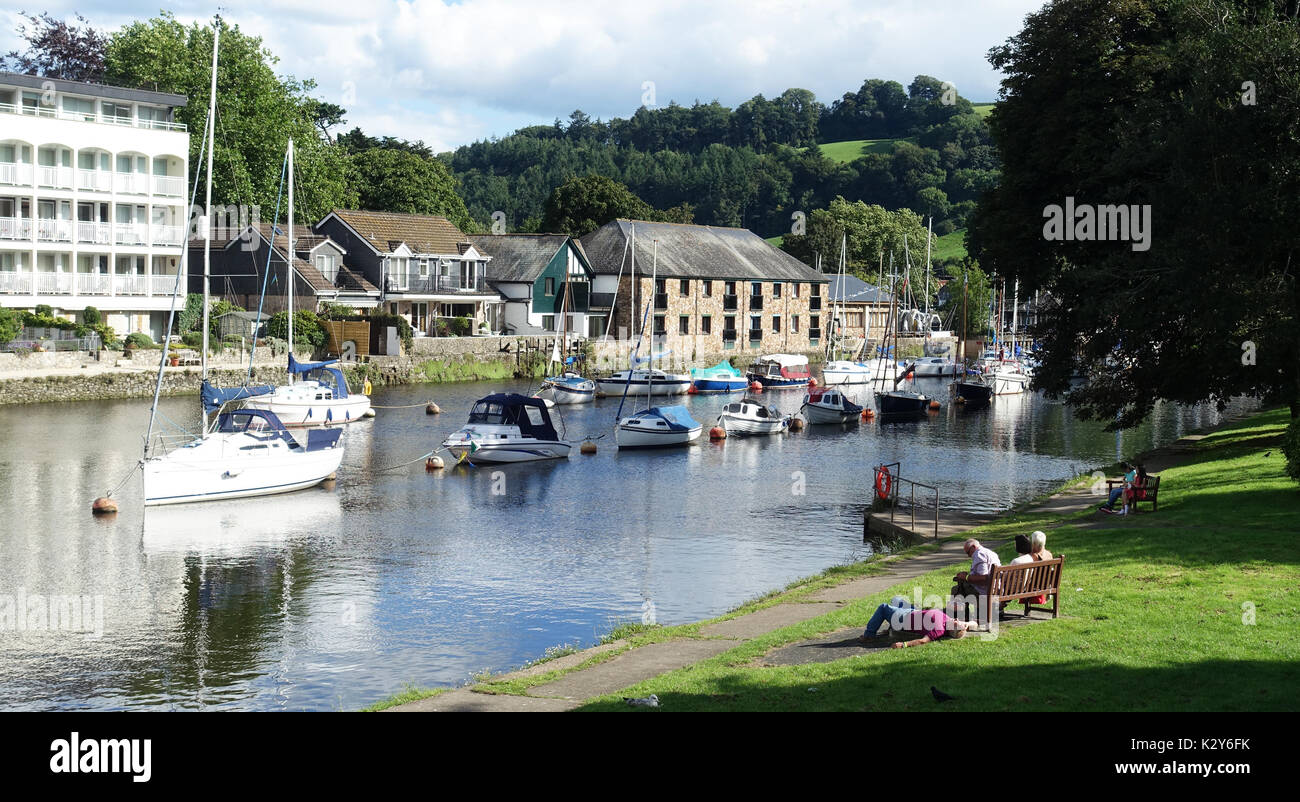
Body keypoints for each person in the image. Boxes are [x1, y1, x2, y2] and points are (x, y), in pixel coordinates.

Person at [859, 602, 979, 647]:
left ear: (952, 629)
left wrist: (903, 645)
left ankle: (869, 635)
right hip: (913, 612)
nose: (957, 619)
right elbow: (973, 624)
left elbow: (923, 641)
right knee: (897, 599)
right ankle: (889, 628)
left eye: (956, 622)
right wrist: (967, 625)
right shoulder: (951, 622)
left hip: (902, 619)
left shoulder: (939, 630)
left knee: (883, 607)